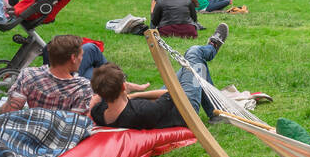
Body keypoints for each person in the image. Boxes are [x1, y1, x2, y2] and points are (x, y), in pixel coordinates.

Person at [89, 24, 230, 127]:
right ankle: (212, 47)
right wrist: (134, 94)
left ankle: (215, 111)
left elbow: (93, 103)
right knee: (194, 54)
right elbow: (172, 93)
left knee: (194, 66)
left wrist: (129, 95)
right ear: (122, 87)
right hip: (185, 109)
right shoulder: (143, 111)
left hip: (165, 103)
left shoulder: (99, 112)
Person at [0, 35, 94, 115]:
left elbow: (7, 113)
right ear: (73, 58)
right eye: (81, 55)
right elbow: (76, 124)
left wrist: (14, 96)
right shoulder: (82, 87)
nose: (82, 59)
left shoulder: (29, 75)